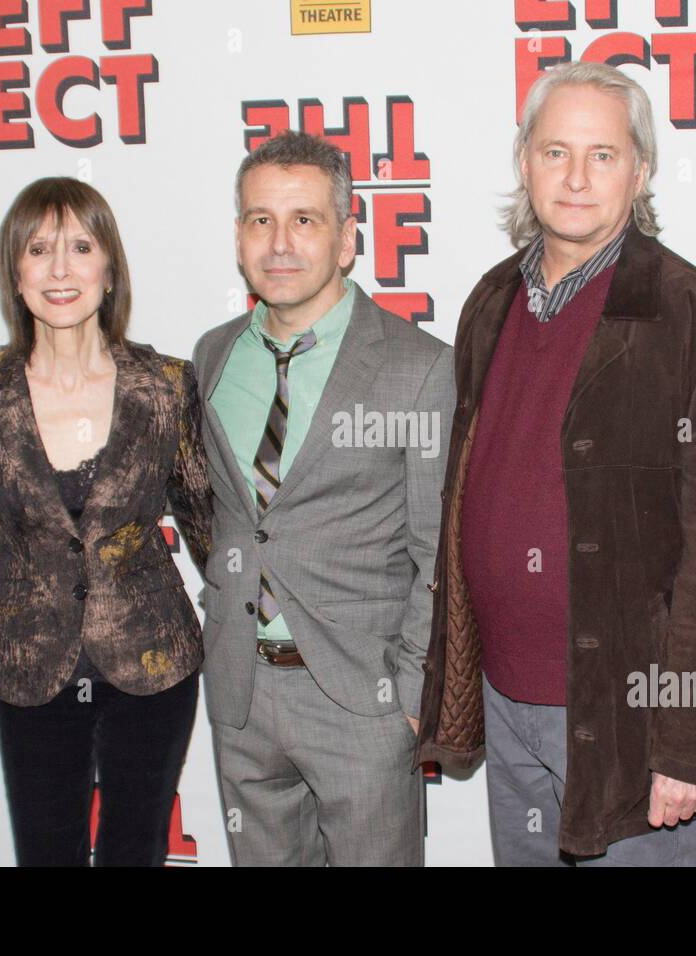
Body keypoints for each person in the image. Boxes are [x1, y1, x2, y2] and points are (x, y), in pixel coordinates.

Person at [414, 61, 696, 865]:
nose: (575, 177)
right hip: (505, 702)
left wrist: (688, 742)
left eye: (603, 155)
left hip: (629, 720)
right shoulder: (490, 301)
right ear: (524, 162)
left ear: (639, 170)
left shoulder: (693, 315)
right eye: (555, 152)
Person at [193, 130, 454, 866]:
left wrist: (409, 697)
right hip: (242, 693)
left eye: (304, 220)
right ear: (239, 237)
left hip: (363, 701)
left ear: (346, 241)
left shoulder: (419, 368)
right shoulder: (214, 356)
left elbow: (438, 549)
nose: (280, 243)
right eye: (259, 220)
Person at [0, 177, 211, 866]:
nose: (61, 270)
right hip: (31, 662)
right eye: (38, 249)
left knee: (135, 849)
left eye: (81, 247)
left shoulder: (166, 387)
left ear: (109, 268)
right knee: (46, 852)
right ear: (15, 272)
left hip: (153, 660)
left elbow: (213, 527)